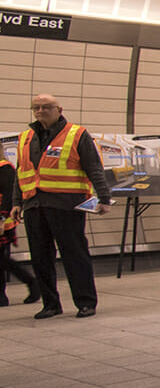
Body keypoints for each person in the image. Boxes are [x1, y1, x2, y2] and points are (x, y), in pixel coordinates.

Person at [18, 94, 112, 319]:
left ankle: (85, 302)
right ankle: (50, 304)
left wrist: (105, 198)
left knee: (74, 255)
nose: (41, 111)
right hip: (34, 204)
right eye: (36, 107)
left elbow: (94, 167)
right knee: (40, 258)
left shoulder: (76, 134)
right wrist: (16, 203)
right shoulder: (26, 137)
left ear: (59, 109)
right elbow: (20, 173)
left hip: (67, 205)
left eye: (46, 107)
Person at [0, 153, 43, 306]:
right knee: (2, 260)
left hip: (2, 221)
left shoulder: (4, 168)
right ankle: (30, 284)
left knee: (2, 259)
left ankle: (31, 283)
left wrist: (2, 218)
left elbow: (8, 196)